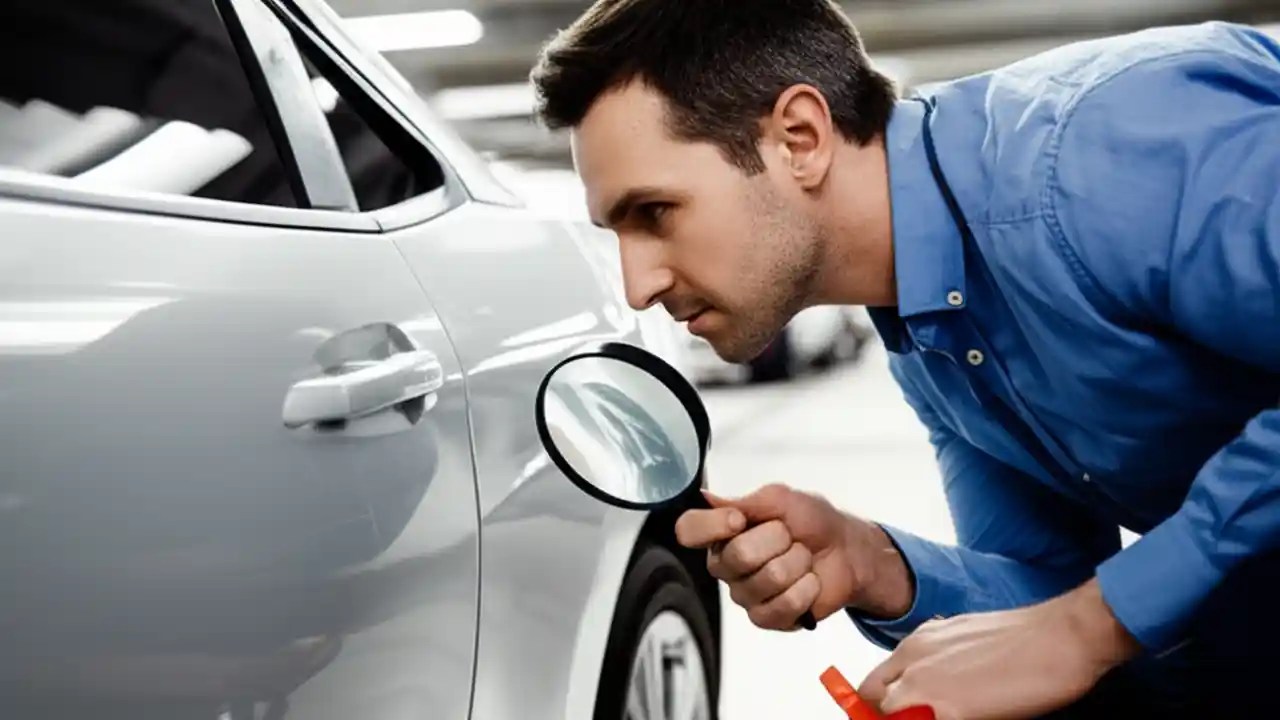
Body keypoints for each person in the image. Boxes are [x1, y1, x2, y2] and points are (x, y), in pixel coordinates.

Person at [529, 1, 1280, 717]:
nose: (636, 285)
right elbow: (1055, 608)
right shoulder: (930, 342)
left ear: (799, 138)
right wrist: (871, 562)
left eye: (654, 213)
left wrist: (1091, 625)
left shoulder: (1106, 149)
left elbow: (1085, 625)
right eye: (615, 232)